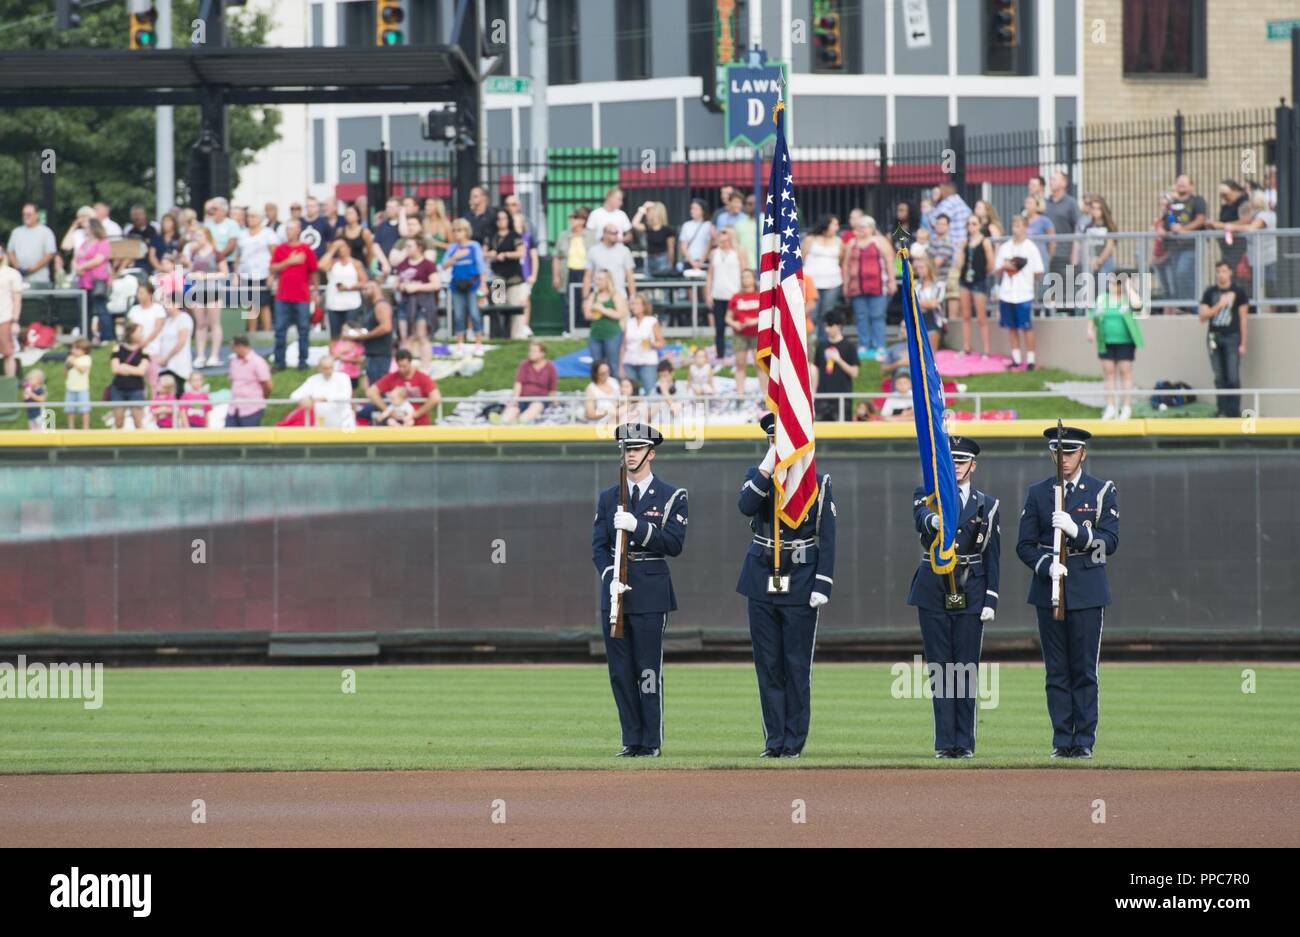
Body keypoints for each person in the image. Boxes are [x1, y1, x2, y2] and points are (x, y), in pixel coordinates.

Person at [737, 412, 836, 758]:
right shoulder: (758, 477)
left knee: (796, 665)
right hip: (761, 578)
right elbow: (745, 506)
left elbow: (829, 537)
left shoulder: (817, 484)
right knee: (768, 665)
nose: (779, 446)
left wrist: (823, 583)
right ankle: (773, 740)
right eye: (773, 440)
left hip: (801, 580)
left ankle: (794, 741)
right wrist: (767, 465)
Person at [1016, 426, 1119, 759]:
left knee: (1085, 670)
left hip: (1087, 586)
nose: (1064, 459)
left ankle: (1084, 739)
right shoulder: (1038, 493)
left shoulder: (1102, 491)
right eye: (1059, 452)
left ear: (1083, 454)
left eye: (1071, 452)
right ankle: (1062, 739)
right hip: (1049, 587)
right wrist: (1046, 565)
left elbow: (1110, 542)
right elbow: (1024, 545)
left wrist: (1078, 533)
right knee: (1057, 669)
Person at [591, 422, 689, 757]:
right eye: (626, 449)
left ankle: (651, 741)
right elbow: (598, 547)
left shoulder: (672, 496)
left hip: (650, 590)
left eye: (636, 449)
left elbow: (674, 544)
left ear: (651, 453)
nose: (630, 454)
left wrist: (640, 527)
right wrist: (610, 576)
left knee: (647, 668)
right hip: (616, 593)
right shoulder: (608, 498)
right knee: (620, 671)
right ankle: (630, 739)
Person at [907, 436, 1000, 758]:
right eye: (952, 461)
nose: (956, 466)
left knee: (966, 667)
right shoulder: (927, 495)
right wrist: (934, 519)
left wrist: (991, 598)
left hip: (970, 587)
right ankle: (945, 743)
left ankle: (965, 742)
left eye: (962, 461)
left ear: (973, 465)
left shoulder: (987, 503)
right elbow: (921, 518)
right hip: (933, 588)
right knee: (940, 668)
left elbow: (992, 556)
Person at [1086, 272, 1144, 420]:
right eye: (1110, 282)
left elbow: (1138, 306)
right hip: (1106, 341)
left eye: (1115, 283)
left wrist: (1129, 287)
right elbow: (1093, 316)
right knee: (1109, 372)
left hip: (1125, 342)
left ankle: (1126, 407)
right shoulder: (1102, 299)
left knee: (1125, 372)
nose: (1111, 286)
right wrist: (1090, 330)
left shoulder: (1128, 299)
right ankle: (1110, 406)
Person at [1198, 261, 1249, 419]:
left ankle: (1233, 411)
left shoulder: (1238, 292)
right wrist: (1220, 305)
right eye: (1218, 271)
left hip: (1232, 337)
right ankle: (1222, 411)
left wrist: (1243, 343)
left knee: (1232, 376)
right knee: (1219, 376)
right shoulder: (1210, 292)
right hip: (1214, 336)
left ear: (1230, 272)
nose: (1221, 274)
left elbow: (1243, 319)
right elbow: (1202, 316)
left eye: (1224, 271)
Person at [994, 214, 1045, 371]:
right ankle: (1016, 358)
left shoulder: (1031, 248)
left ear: (1025, 228)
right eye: (1014, 226)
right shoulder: (1005, 247)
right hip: (1007, 293)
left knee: (1026, 327)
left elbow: (1039, 272)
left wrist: (1023, 271)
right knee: (1011, 327)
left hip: (1024, 293)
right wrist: (1006, 268)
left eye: (1018, 226)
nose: (1015, 230)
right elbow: (997, 271)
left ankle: (1030, 360)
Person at [842, 214, 895, 359]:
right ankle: (864, 344)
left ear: (871, 228)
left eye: (863, 227)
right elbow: (846, 265)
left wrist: (891, 281)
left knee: (877, 316)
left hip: (878, 286)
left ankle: (879, 345)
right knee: (861, 316)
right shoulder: (852, 243)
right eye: (858, 227)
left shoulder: (879, 241)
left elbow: (889, 261)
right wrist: (846, 284)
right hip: (857, 286)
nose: (859, 230)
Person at [269, 219, 319, 371]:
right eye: (287, 229)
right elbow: (273, 268)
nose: (288, 231)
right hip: (282, 296)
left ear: (298, 231)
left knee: (303, 330)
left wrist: (315, 291)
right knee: (280, 330)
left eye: (291, 228)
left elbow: (314, 272)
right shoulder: (280, 249)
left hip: (302, 296)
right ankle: (279, 362)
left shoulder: (306, 250)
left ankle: (302, 362)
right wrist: (290, 261)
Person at [441, 219, 488, 354]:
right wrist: (455, 257)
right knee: (459, 314)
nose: (456, 234)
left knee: (474, 313)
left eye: (459, 230)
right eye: (454, 231)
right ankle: (459, 342)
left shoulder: (474, 246)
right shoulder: (452, 248)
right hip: (457, 285)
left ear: (466, 231)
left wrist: (483, 285)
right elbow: (444, 265)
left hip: (473, 284)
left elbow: (481, 267)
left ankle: (478, 341)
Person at [392, 236, 441, 369]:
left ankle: (425, 367)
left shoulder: (428, 265)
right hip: (405, 303)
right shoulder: (402, 264)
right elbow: (396, 282)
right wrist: (401, 286)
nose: (406, 249)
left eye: (409, 246)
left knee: (422, 335)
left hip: (422, 303)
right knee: (404, 336)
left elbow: (436, 284)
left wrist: (417, 287)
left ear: (419, 248)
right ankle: (404, 367)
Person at [184, 227, 228, 369]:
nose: (197, 239)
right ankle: (200, 354)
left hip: (213, 290)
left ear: (207, 237)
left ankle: (214, 355)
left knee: (214, 323)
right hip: (198, 290)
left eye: (200, 236)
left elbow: (225, 273)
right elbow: (190, 272)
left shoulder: (216, 253)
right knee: (200, 323)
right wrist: (193, 276)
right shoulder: (194, 253)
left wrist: (208, 276)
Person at [1164, 175, 1208, 306]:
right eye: (1179, 183)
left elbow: (1201, 219)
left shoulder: (1197, 201)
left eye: (1184, 183)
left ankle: (1190, 305)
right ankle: (1180, 304)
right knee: (1176, 277)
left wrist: (1183, 229)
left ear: (1191, 186)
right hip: (1175, 247)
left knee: (1183, 272)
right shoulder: (1172, 203)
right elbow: (1169, 217)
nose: (1181, 185)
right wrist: (1172, 226)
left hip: (1191, 246)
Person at [956, 214, 995, 357]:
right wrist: (960, 250)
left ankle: (986, 349)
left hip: (979, 281)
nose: (971, 227)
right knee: (965, 315)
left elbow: (991, 263)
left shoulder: (984, 242)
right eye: (969, 224)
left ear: (979, 225)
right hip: (965, 281)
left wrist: (982, 273)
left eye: (974, 224)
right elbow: (959, 265)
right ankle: (966, 346)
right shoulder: (965, 243)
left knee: (981, 317)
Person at [811, 309, 858, 422]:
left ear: (838, 326)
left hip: (842, 396)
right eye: (825, 326)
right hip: (823, 396)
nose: (827, 329)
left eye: (830, 326)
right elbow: (816, 368)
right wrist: (813, 392)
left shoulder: (849, 346)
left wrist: (838, 360)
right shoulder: (821, 346)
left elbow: (854, 373)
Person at [803, 215, 844, 343]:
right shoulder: (810, 239)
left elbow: (841, 260)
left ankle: (822, 341)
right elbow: (801, 257)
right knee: (811, 312)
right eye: (834, 224)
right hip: (811, 282)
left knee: (826, 312)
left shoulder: (839, 241)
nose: (837, 227)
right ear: (826, 225)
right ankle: (808, 339)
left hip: (832, 282)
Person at [705, 227, 744, 359]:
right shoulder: (714, 253)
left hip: (734, 294)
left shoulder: (738, 252)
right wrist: (708, 294)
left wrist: (744, 293)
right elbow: (710, 274)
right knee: (719, 327)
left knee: (737, 326)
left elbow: (744, 272)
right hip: (718, 294)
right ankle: (720, 354)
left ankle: (739, 352)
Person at [74, 219, 114, 345]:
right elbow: (76, 257)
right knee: (85, 310)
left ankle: (107, 337)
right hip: (83, 281)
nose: (85, 230)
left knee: (101, 309)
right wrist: (76, 267)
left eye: (87, 227)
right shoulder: (84, 244)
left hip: (97, 280)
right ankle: (86, 336)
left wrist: (82, 267)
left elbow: (98, 259)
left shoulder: (103, 243)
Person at [554, 209, 596, 330]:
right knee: (569, 302)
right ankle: (569, 329)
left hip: (586, 273)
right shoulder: (564, 235)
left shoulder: (591, 236)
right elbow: (556, 257)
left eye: (575, 218)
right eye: (571, 218)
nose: (572, 220)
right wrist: (556, 276)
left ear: (583, 221)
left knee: (586, 299)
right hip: (569, 272)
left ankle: (585, 327)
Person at [288, 354, 355, 429]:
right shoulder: (313, 380)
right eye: (325, 368)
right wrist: (302, 400)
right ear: (319, 368)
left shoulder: (343, 377)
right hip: (322, 423)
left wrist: (325, 398)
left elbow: (346, 396)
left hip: (343, 423)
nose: (329, 371)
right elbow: (294, 395)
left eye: (331, 368)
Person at [321, 237, 367, 341]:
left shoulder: (356, 263)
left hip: (351, 304)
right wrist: (332, 249)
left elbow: (364, 282)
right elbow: (321, 266)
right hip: (334, 304)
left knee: (350, 334)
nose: (340, 249)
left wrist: (349, 287)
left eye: (342, 246)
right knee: (334, 335)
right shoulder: (333, 263)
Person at [583, 268, 627, 377]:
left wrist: (603, 310)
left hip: (612, 335)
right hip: (595, 335)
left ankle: (615, 388)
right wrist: (607, 312)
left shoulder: (616, 295)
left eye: (600, 279)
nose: (597, 282)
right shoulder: (594, 295)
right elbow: (587, 314)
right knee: (596, 365)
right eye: (596, 279)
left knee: (613, 364)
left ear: (608, 280)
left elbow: (620, 314)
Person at [502, 340, 557, 424]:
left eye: (534, 351)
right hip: (523, 397)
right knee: (512, 409)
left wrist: (555, 402)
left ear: (542, 353)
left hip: (540, 399)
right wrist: (515, 399)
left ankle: (520, 422)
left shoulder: (550, 367)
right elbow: (518, 383)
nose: (531, 353)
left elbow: (552, 388)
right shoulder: (525, 365)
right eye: (530, 351)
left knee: (536, 407)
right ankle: (503, 421)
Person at [225, 334, 273, 427]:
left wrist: (262, 399)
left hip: (252, 407)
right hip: (234, 407)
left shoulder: (258, 362)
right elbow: (232, 380)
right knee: (229, 437)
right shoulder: (234, 361)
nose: (232, 350)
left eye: (233, 347)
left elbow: (268, 385)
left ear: (240, 346)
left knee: (250, 438)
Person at [725, 268, 761, 391]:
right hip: (740, 334)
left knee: (760, 364)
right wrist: (734, 323)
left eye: (748, 276)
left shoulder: (760, 296)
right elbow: (728, 317)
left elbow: (768, 315)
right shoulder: (736, 297)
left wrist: (754, 321)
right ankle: (740, 393)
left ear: (753, 279)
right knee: (740, 364)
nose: (745, 279)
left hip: (757, 334)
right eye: (743, 277)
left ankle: (765, 393)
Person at [109, 323, 150, 430]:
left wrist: (124, 367)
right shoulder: (118, 348)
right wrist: (133, 369)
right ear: (131, 333)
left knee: (138, 421)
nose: (141, 335)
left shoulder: (144, 350)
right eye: (139, 332)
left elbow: (141, 371)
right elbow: (115, 369)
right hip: (119, 388)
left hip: (136, 388)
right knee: (118, 420)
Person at [621, 295, 664, 394]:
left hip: (647, 362)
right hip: (629, 361)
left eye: (636, 304)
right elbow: (623, 345)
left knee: (650, 390)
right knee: (630, 392)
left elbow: (661, 342)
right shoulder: (628, 322)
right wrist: (621, 365)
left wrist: (652, 343)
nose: (633, 306)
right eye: (632, 304)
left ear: (644, 306)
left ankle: (650, 409)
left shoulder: (652, 321)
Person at [8, 203, 58, 287]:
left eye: (29, 214)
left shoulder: (46, 232)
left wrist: (32, 269)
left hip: (40, 280)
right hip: (19, 279)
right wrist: (18, 267)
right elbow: (10, 251)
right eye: (24, 214)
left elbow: (50, 254)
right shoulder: (16, 232)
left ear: (37, 215)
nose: (26, 216)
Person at [585, 223, 638, 300]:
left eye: (617, 233)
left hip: (620, 296)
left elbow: (630, 276)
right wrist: (585, 298)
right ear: (604, 234)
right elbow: (588, 276)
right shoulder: (593, 251)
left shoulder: (624, 251)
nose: (616, 236)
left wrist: (633, 296)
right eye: (613, 233)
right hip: (599, 298)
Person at [631, 201, 676, 277]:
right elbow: (634, 224)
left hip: (662, 259)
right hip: (649, 259)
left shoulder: (667, 230)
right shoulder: (648, 228)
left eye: (650, 211)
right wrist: (643, 208)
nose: (648, 213)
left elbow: (671, 250)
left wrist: (670, 265)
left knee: (662, 284)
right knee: (649, 284)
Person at [677, 199, 714, 272]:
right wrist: (692, 262)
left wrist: (701, 261)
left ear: (702, 210)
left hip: (704, 261)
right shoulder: (686, 225)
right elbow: (683, 247)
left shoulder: (708, 225)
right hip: (689, 261)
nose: (692, 211)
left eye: (696, 209)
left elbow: (709, 245)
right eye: (692, 208)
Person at [0, 253, 21, 378]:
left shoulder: (12, 274)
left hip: (5, 317)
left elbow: (17, 299)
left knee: (8, 352)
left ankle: (10, 385)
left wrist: (15, 320)